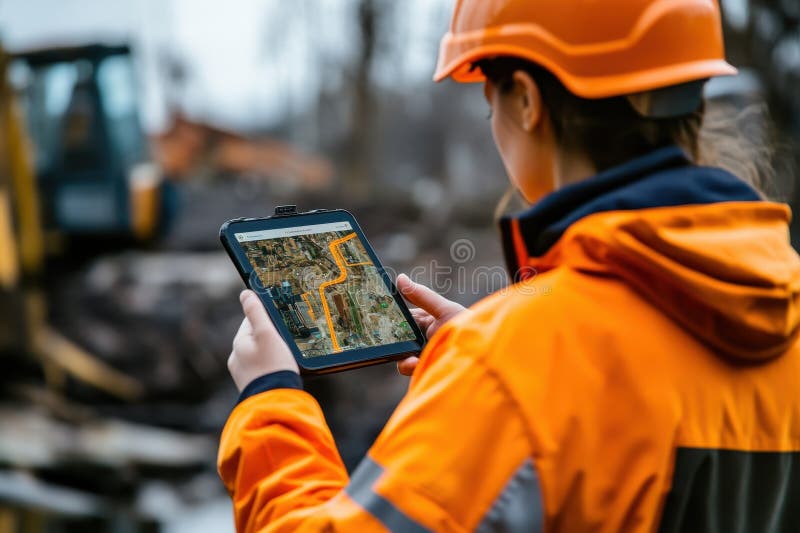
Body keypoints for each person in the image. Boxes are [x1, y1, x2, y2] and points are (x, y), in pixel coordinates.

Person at [218, 0, 800, 531]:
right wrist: (486, 361)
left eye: (488, 100)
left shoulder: (514, 368)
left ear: (525, 98)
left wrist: (271, 401)